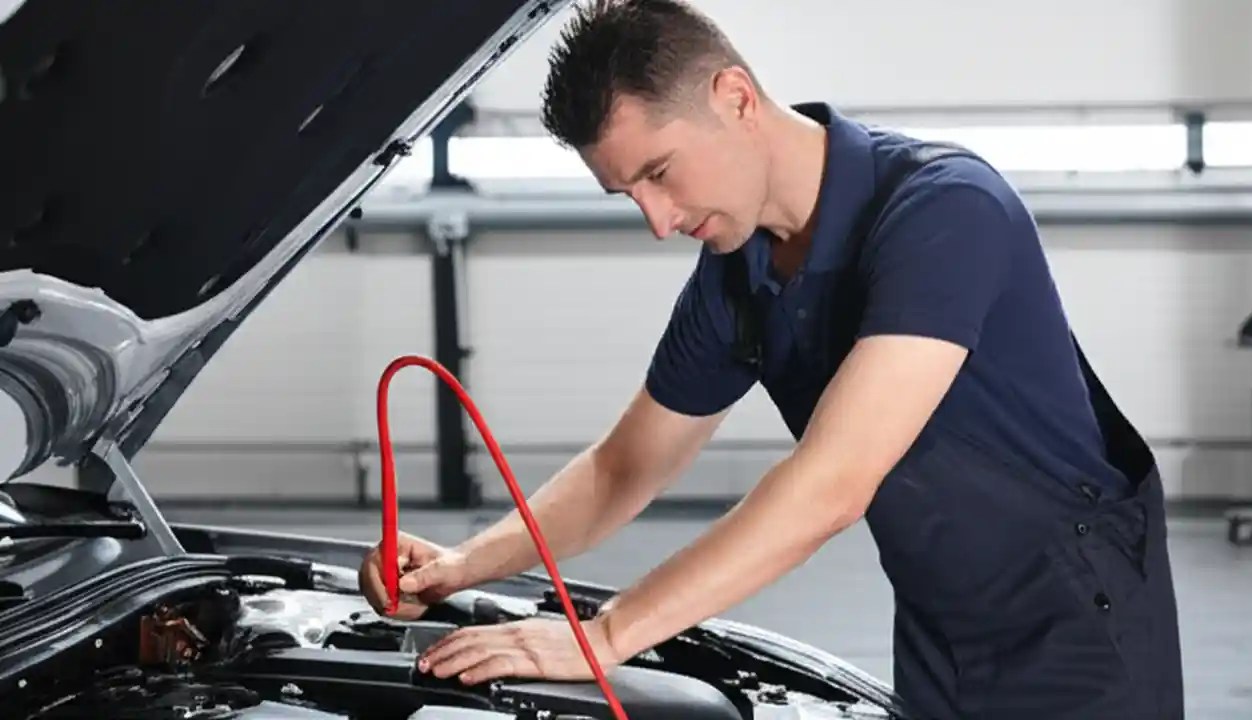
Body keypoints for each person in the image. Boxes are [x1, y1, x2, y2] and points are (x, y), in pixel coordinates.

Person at [358, 1, 1185, 717]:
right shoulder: (738, 271)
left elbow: (832, 485)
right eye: (629, 194)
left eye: (659, 172)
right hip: (941, 626)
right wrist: (465, 566)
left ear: (736, 97)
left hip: (1078, 619)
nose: (655, 218)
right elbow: (623, 469)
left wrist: (606, 638)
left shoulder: (945, 211)